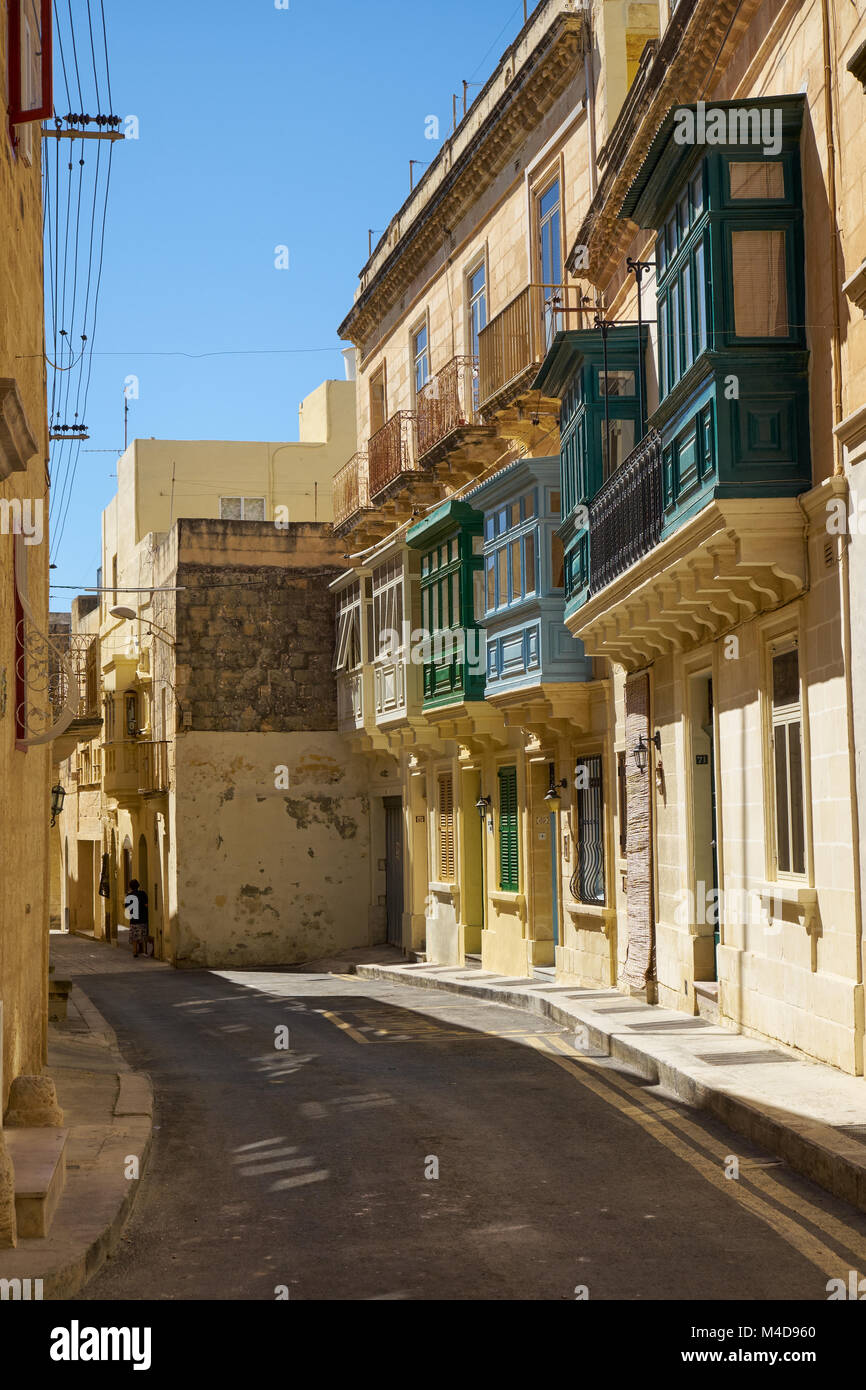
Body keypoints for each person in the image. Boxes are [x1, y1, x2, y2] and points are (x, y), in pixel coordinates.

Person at [124, 879, 150, 957]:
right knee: (142, 934)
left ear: (130, 887)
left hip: (134, 919)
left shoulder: (129, 896)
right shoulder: (143, 894)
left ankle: (135, 951)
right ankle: (142, 950)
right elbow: (146, 905)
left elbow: (127, 908)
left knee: (134, 936)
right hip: (143, 918)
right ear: (138, 886)